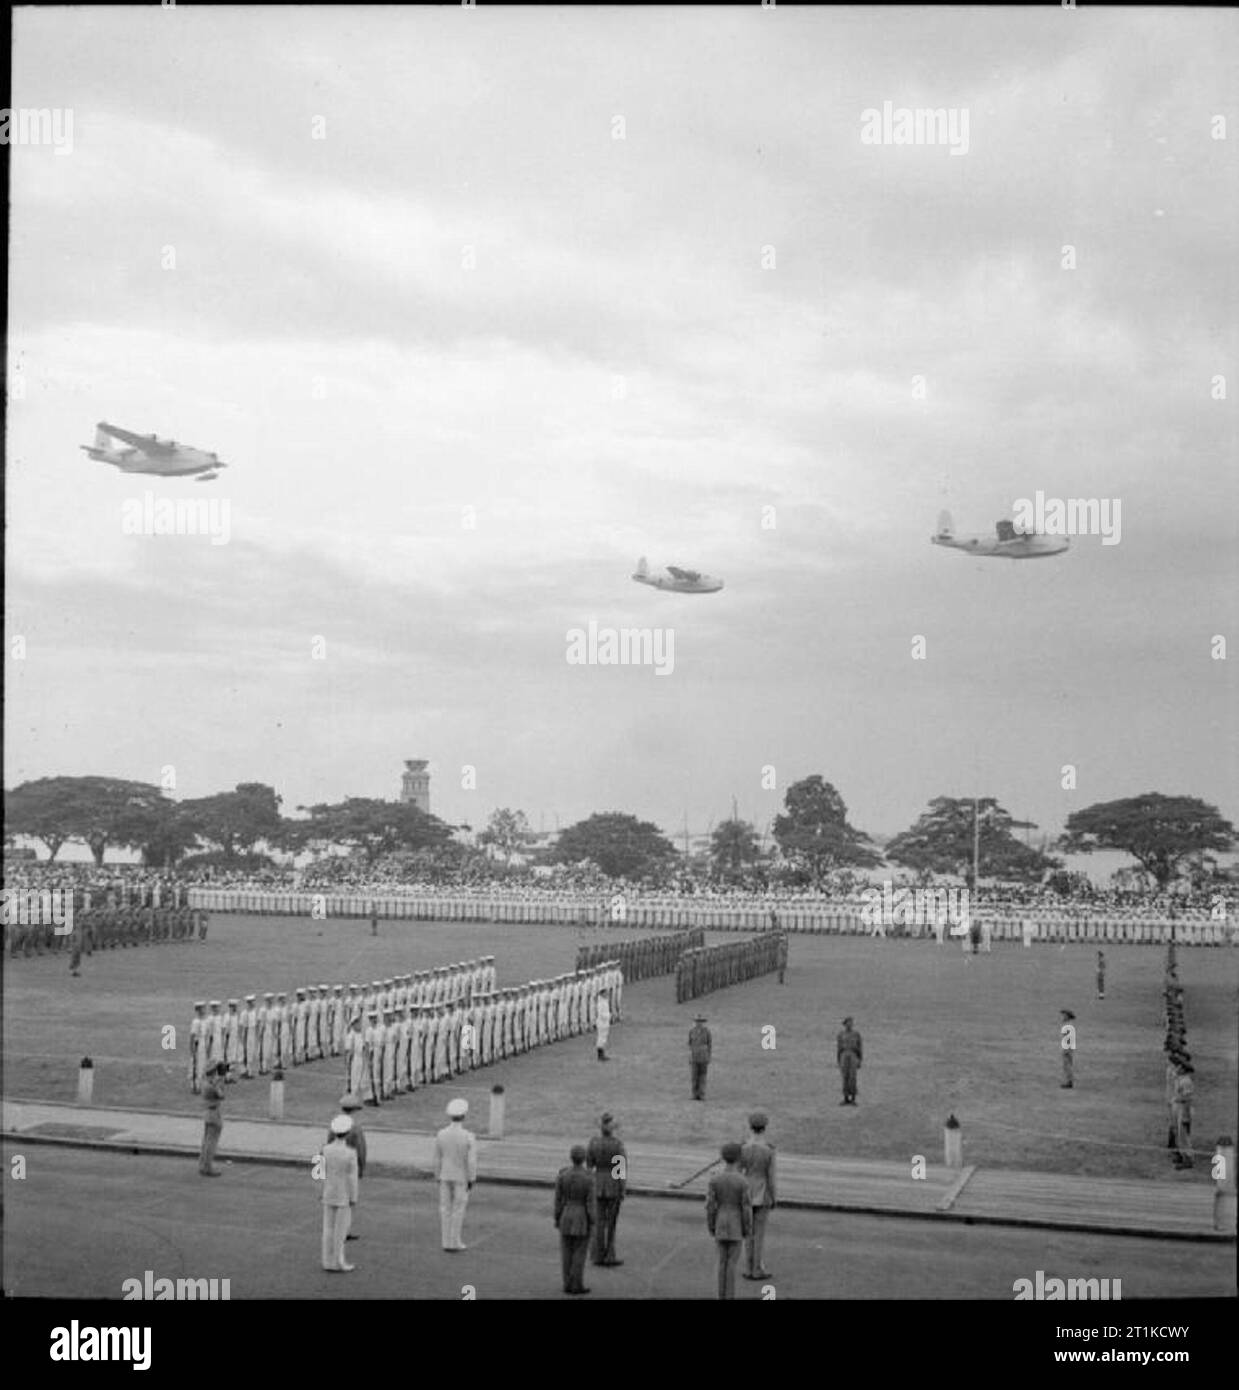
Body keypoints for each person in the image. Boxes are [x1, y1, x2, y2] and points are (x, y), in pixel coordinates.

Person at [705, 1142, 752, 1300]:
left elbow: (710, 1206)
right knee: (732, 1265)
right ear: (739, 1158)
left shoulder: (715, 1179)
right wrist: (747, 1228)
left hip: (720, 1222)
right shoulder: (743, 1181)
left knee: (721, 1263)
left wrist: (711, 1225)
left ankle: (720, 1295)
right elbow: (746, 1208)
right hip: (736, 1224)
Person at [434, 1098, 477, 1252]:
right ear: (464, 1116)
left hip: (445, 1174)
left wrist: (437, 1175)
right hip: (461, 1176)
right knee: (458, 1209)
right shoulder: (468, 1136)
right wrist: (472, 1178)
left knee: (444, 1208)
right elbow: (471, 1161)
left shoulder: (441, 1134)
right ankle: (455, 1241)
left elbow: (437, 1157)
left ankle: (446, 1241)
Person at [554, 1145, 597, 1295]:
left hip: (566, 1214)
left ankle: (567, 1282)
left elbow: (558, 1200)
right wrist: (593, 1220)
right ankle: (576, 1283)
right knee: (580, 1252)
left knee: (566, 1253)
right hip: (581, 1216)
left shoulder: (563, 1175)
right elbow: (591, 1203)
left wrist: (557, 1217)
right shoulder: (589, 1178)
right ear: (583, 1159)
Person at [586, 1112, 626, 1267]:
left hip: (597, 1183)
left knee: (598, 1222)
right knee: (611, 1223)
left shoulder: (593, 1143)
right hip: (613, 1184)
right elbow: (620, 1170)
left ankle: (597, 1254)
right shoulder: (617, 1145)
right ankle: (609, 1254)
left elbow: (589, 1166)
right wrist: (622, 1188)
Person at [739, 1111, 776, 1280]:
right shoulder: (769, 1150)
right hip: (763, 1192)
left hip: (747, 1190)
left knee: (748, 1233)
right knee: (759, 1234)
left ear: (750, 1127)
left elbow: (739, 1171)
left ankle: (747, 1267)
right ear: (764, 1128)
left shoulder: (744, 1147)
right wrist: (774, 1197)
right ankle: (757, 1269)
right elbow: (771, 1177)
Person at [321, 1114, 358, 1272]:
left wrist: (322, 1189)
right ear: (348, 1133)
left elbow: (319, 1172)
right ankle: (339, 1261)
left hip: (328, 1192)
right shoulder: (350, 1153)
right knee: (340, 1231)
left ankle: (327, 1260)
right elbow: (352, 1178)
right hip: (343, 1194)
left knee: (328, 1229)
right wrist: (354, 1196)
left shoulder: (325, 1149)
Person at [337, 1094, 367, 1240]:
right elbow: (361, 1149)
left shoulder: (334, 1124)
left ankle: (337, 1227)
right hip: (350, 1166)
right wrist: (362, 1168)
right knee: (349, 1200)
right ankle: (345, 1230)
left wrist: (319, 1174)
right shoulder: (355, 1128)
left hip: (335, 1165)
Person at [199, 1062, 226, 1176]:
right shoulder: (210, 1086)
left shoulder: (206, 1082)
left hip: (208, 1112)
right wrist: (221, 1079)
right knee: (211, 1143)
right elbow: (221, 1094)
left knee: (206, 1141)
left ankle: (203, 1164)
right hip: (214, 1113)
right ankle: (208, 1166)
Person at [1171, 1062, 1195, 1168]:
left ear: (1183, 1069)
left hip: (1183, 1108)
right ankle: (1182, 1155)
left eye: (1179, 1067)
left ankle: (1188, 1158)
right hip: (1179, 1107)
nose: (1176, 1068)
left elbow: (1188, 1099)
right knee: (1179, 1134)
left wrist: (1185, 1115)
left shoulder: (1186, 1081)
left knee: (1183, 1135)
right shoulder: (1180, 1079)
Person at [836, 1017, 862, 1105]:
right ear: (845, 1024)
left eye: (851, 1023)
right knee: (845, 1077)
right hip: (844, 1055)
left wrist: (860, 1059)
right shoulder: (841, 1034)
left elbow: (859, 1047)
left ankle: (853, 1098)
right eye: (848, 1022)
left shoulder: (856, 1034)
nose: (850, 1024)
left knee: (853, 1077)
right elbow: (839, 1048)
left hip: (853, 1055)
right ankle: (845, 1097)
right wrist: (838, 1060)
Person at [688, 1015, 712, 1101]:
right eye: (697, 1021)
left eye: (700, 1021)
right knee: (694, 1076)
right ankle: (694, 1094)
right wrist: (690, 1057)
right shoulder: (691, 1031)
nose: (698, 1023)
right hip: (694, 1056)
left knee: (702, 1076)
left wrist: (709, 1056)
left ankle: (702, 1095)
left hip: (703, 1056)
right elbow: (690, 1045)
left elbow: (709, 1045)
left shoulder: (707, 1032)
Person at [1060, 1009, 1076, 1089]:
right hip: (1070, 1048)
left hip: (1067, 1048)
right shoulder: (1070, 1025)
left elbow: (1068, 1038)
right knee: (1068, 1065)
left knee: (1067, 1065)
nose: (1062, 1017)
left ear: (1067, 1016)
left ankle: (1069, 1082)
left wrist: (1066, 1050)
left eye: (1064, 1015)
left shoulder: (1067, 1026)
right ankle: (1069, 1081)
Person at [595, 992, 611, 1062]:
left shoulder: (605, 1001)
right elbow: (601, 1014)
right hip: (602, 1022)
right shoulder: (600, 1003)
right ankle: (600, 1055)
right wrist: (608, 1016)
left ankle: (602, 1054)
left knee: (604, 1038)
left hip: (605, 1022)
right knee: (601, 1038)